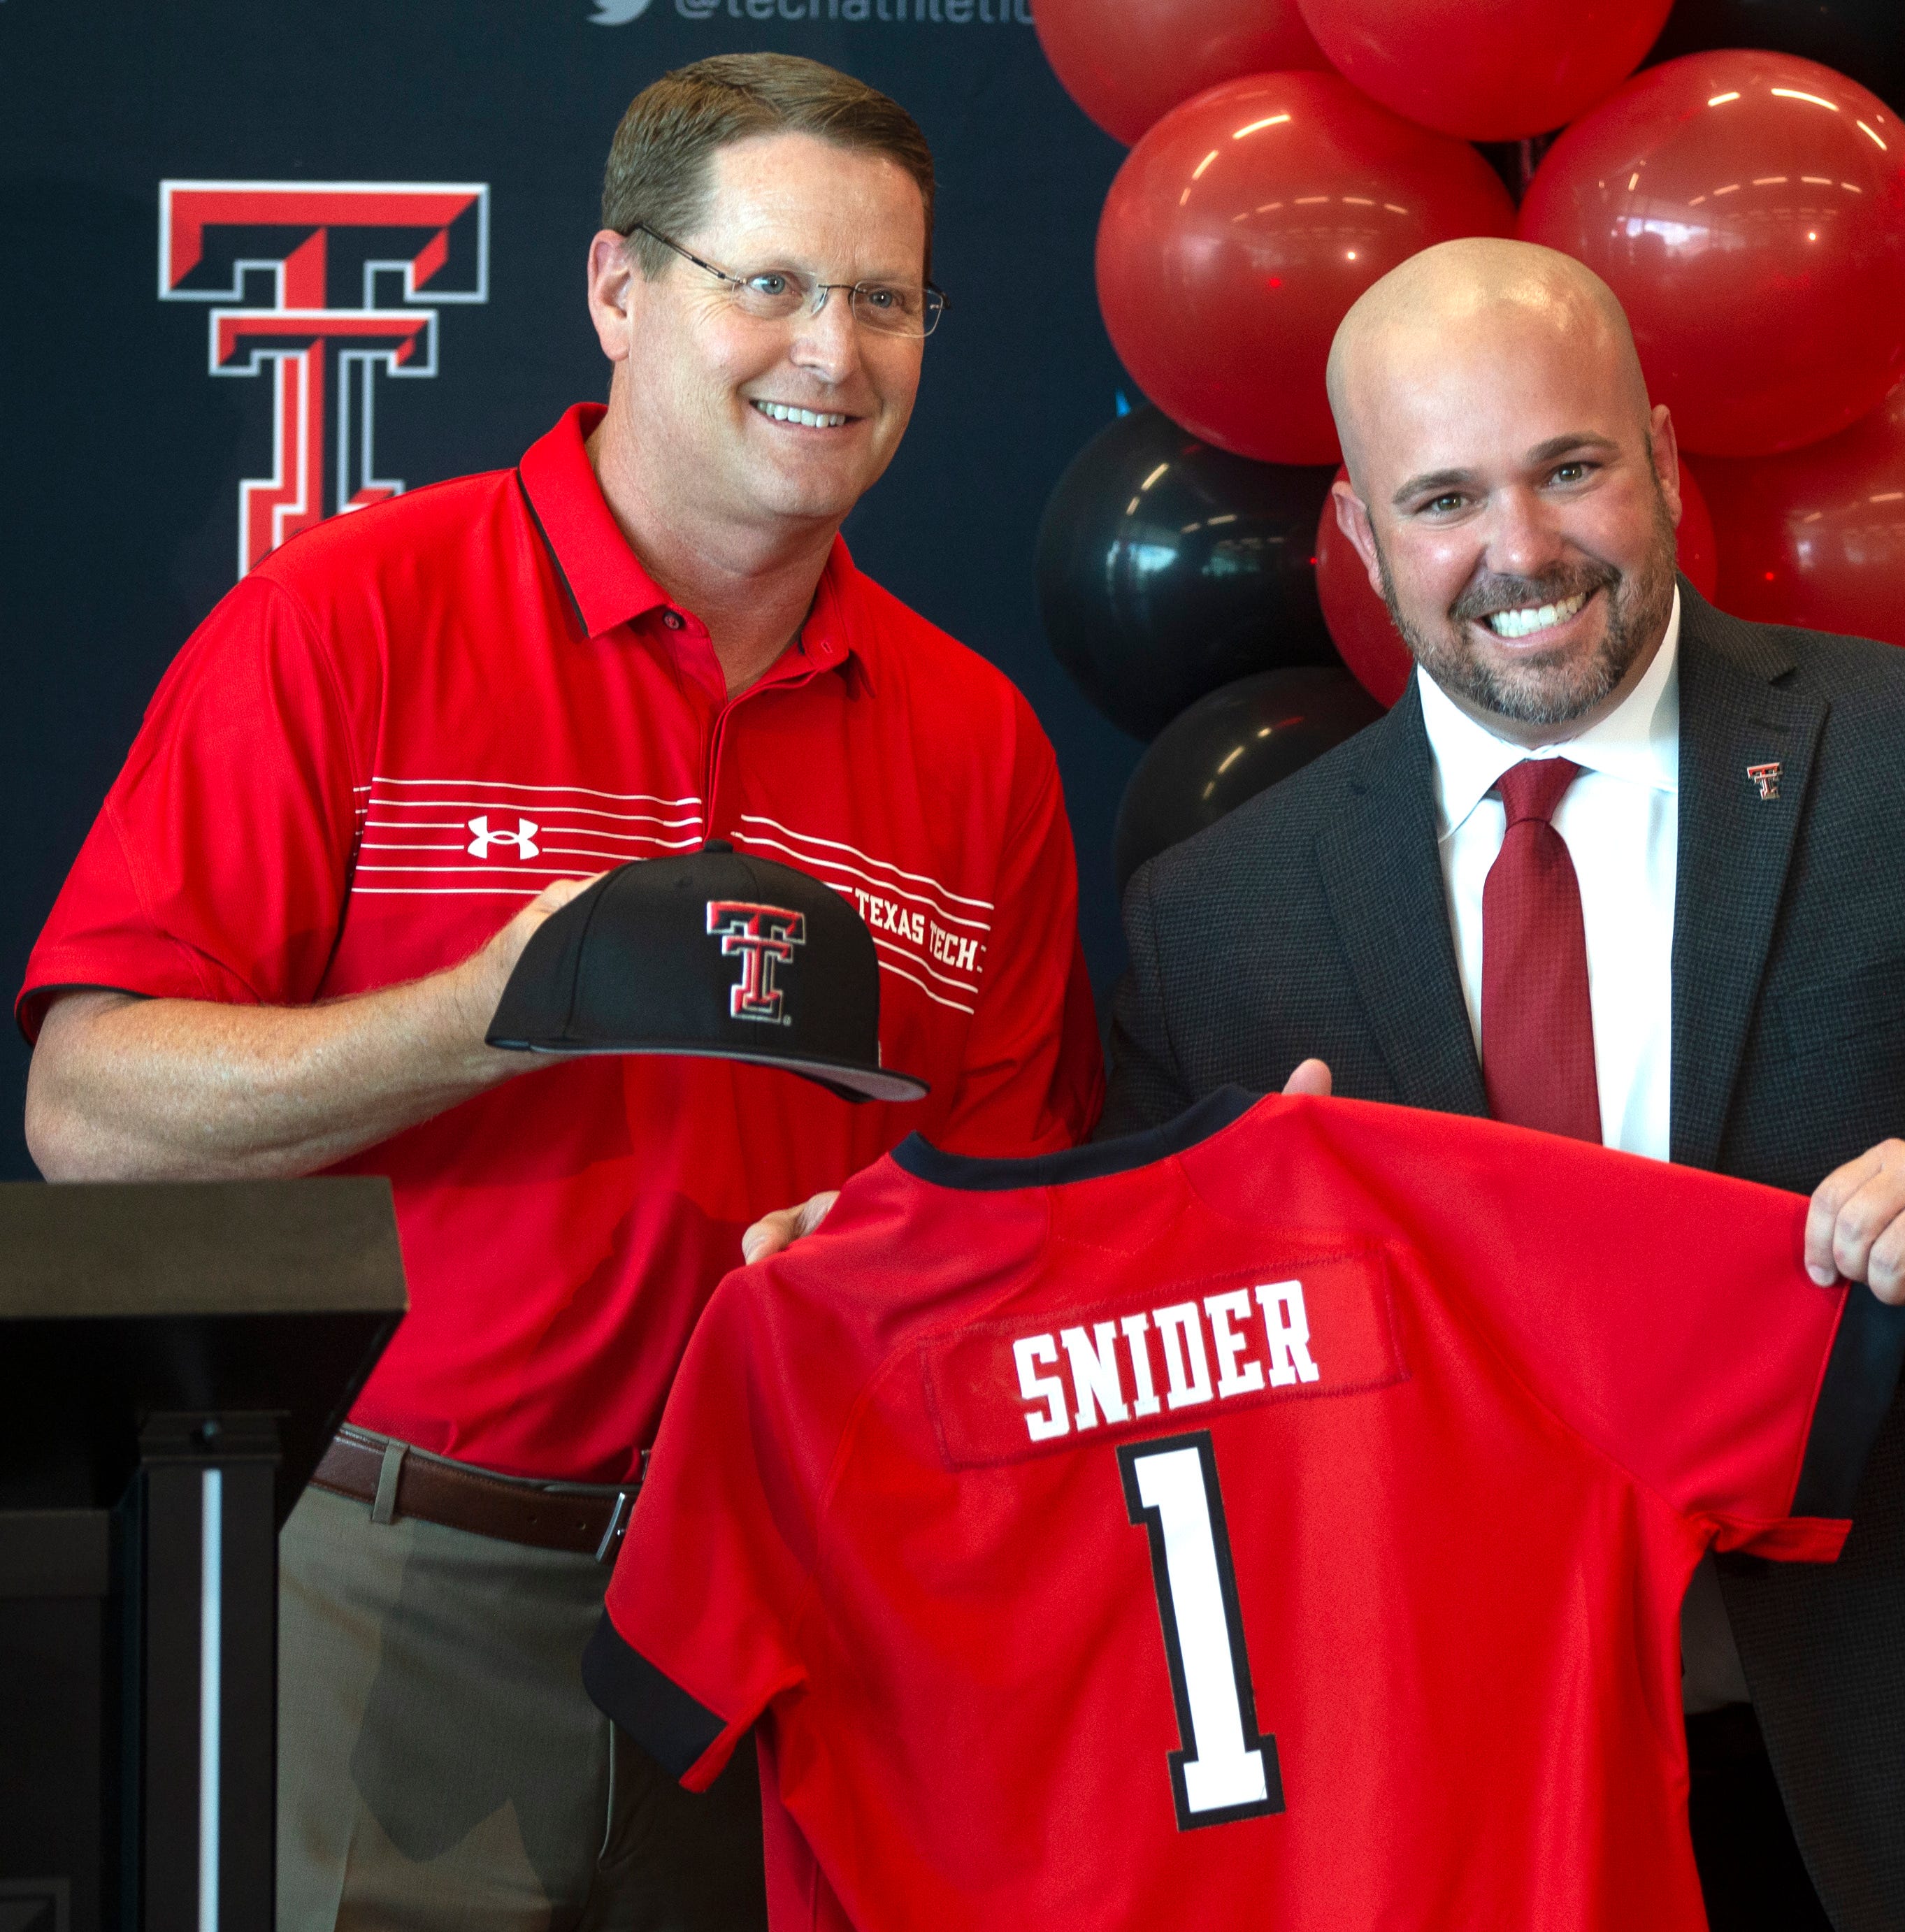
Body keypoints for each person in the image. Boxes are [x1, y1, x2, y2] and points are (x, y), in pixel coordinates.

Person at [1093, 239, 1905, 1931]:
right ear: (1364, 541)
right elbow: (1145, 1390)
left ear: (1661, 462)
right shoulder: (1216, 916)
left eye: (1570, 467)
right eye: (1443, 498)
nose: (1518, 552)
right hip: (1492, 1813)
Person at [20, 53, 1100, 1931]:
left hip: (790, 1628)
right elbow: (88, 1117)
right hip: (389, 1585)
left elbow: (1008, 1219)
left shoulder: (977, 741)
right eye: (766, 282)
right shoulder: (351, 613)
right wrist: (487, 1008)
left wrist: (879, 1257)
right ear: (618, 290)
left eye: (883, 298)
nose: (829, 349)